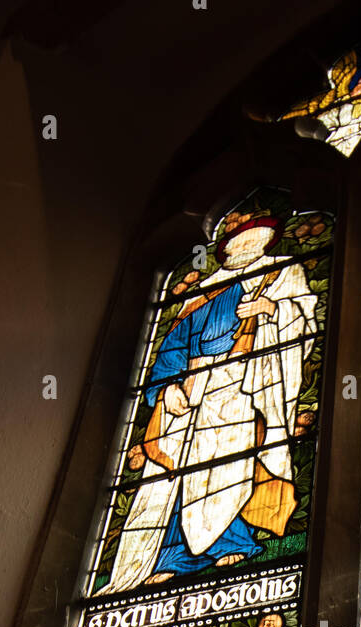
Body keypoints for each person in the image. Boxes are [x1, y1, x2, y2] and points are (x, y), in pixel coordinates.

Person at [104, 212, 317, 591]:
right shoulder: (206, 290)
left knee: (230, 463)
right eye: (242, 240)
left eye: (258, 239)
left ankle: (231, 541)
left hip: (247, 380)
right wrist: (167, 386)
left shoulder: (282, 273)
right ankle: (173, 555)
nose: (250, 245)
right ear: (226, 248)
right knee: (178, 468)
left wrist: (271, 311)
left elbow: (304, 322)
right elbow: (173, 344)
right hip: (195, 383)